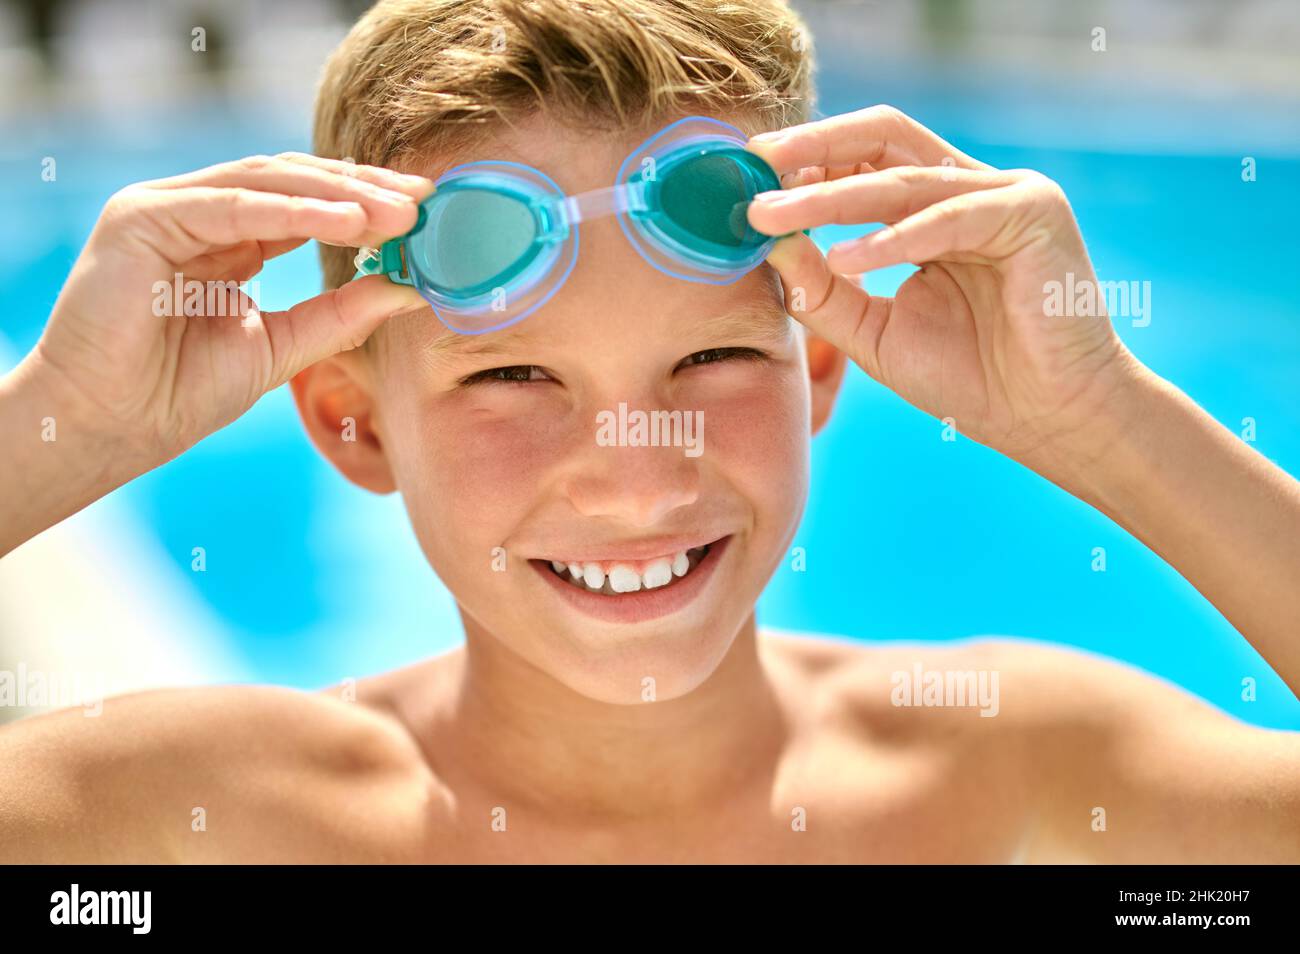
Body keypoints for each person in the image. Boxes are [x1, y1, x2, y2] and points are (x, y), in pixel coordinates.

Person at [1, 0, 1297, 863]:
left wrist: (1106, 414)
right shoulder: (204, 822)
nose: (634, 467)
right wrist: (67, 425)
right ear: (352, 424)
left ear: (823, 368)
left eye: (719, 353)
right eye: (510, 378)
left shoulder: (1023, 774)